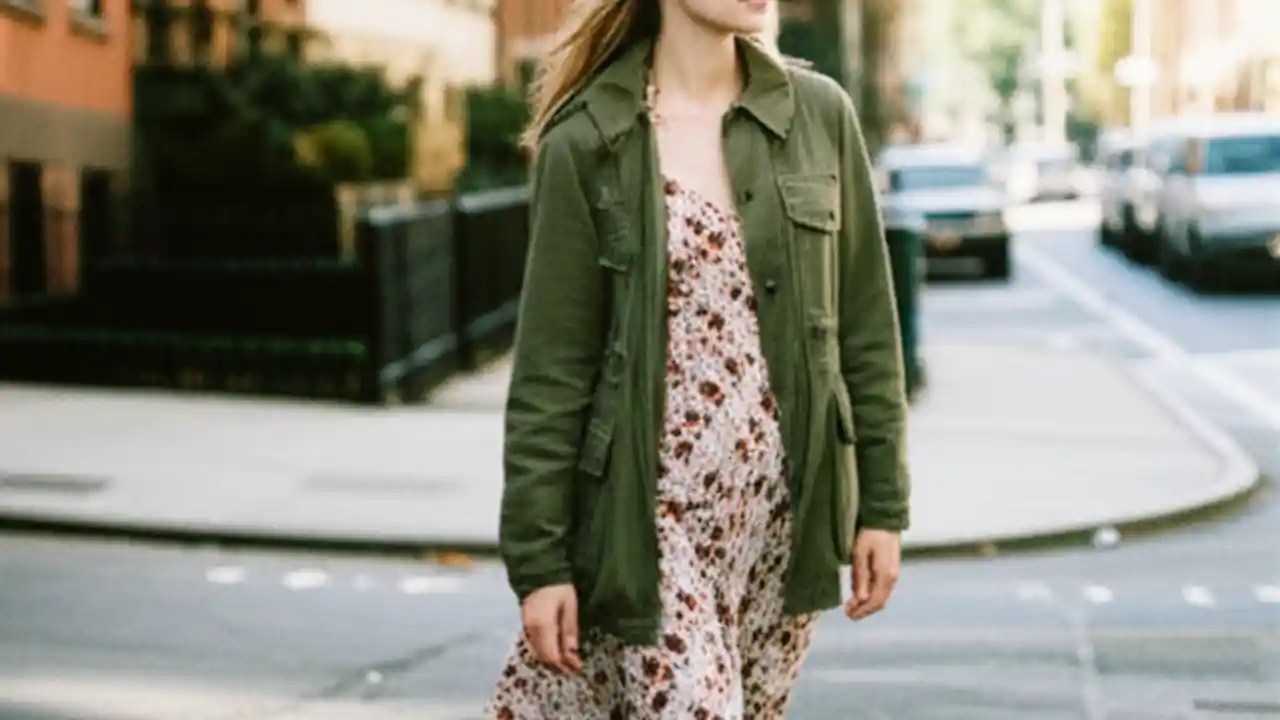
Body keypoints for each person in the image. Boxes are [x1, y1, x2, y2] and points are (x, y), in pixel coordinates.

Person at [489, 0, 911, 716]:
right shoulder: (590, 138)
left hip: (785, 525)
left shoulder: (818, 117)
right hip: (651, 527)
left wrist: (882, 507)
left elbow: (866, 330)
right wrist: (540, 564)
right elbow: (550, 375)